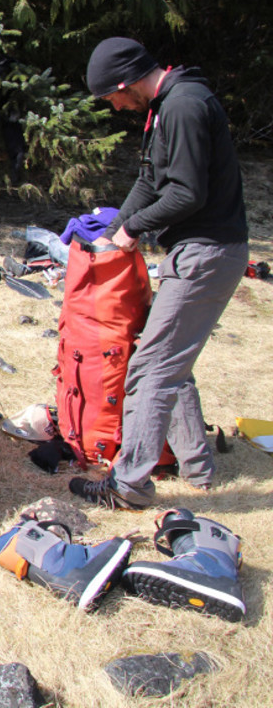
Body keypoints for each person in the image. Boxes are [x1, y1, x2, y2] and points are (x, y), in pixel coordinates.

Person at [68, 37, 248, 509]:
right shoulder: (167, 104)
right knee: (168, 359)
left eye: (111, 97)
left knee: (151, 368)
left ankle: (128, 486)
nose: (115, 107)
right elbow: (151, 180)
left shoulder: (184, 106)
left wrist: (133, 230)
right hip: (198, 252)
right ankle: (198, 469)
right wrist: (113, 231)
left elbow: (187, 193)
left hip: (207, 254)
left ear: (125, 82)